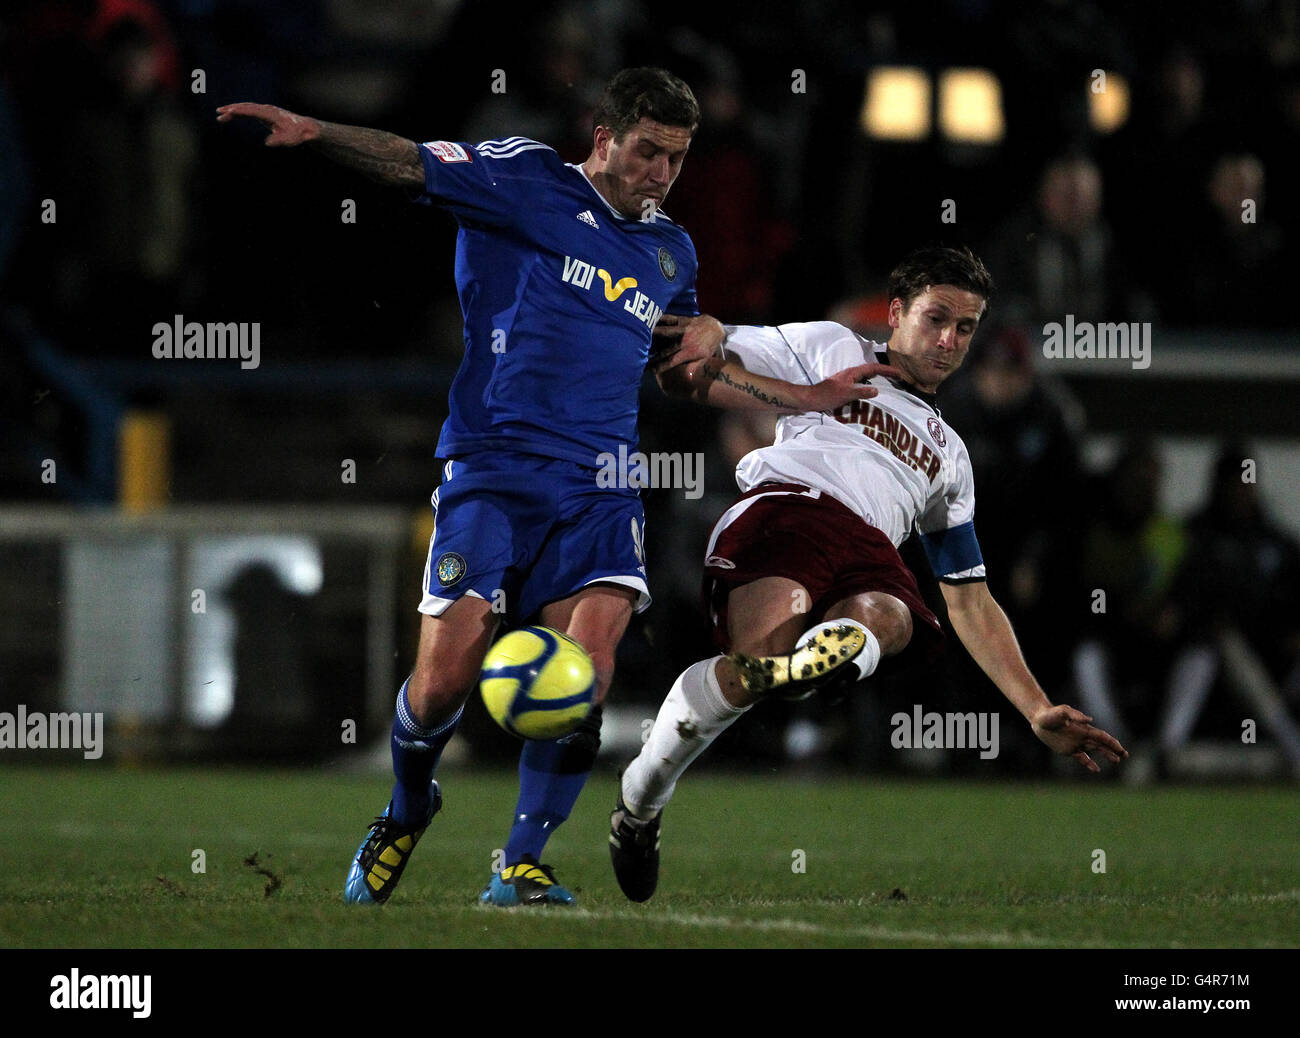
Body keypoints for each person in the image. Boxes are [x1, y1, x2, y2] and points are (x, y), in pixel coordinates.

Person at [216, 68, 890, 908]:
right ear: (602, 137)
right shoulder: (524, 177)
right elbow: (409, 163)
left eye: (675, 160)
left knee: (590, 669)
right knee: (442, 681)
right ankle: (406, 805)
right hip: (494, 463)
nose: (659, 173)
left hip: (600, 483)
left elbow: (681, 378)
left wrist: (788, 389)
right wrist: (319, 130)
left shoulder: (669, 251)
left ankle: (520, 862)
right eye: (647, 151)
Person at [610, 245, 1129, 902]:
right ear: (895, 313)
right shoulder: (832, 346)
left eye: (965, 328)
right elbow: (713, 349)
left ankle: (816, 663)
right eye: (936, 318)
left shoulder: (952, 457)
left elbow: (968, 599)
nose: (949, 340)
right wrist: (726, 340)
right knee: (757, 668)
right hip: (786, 512)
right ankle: (639, 806)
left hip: (869, 555)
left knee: (892, 614)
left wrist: (1034, 707)